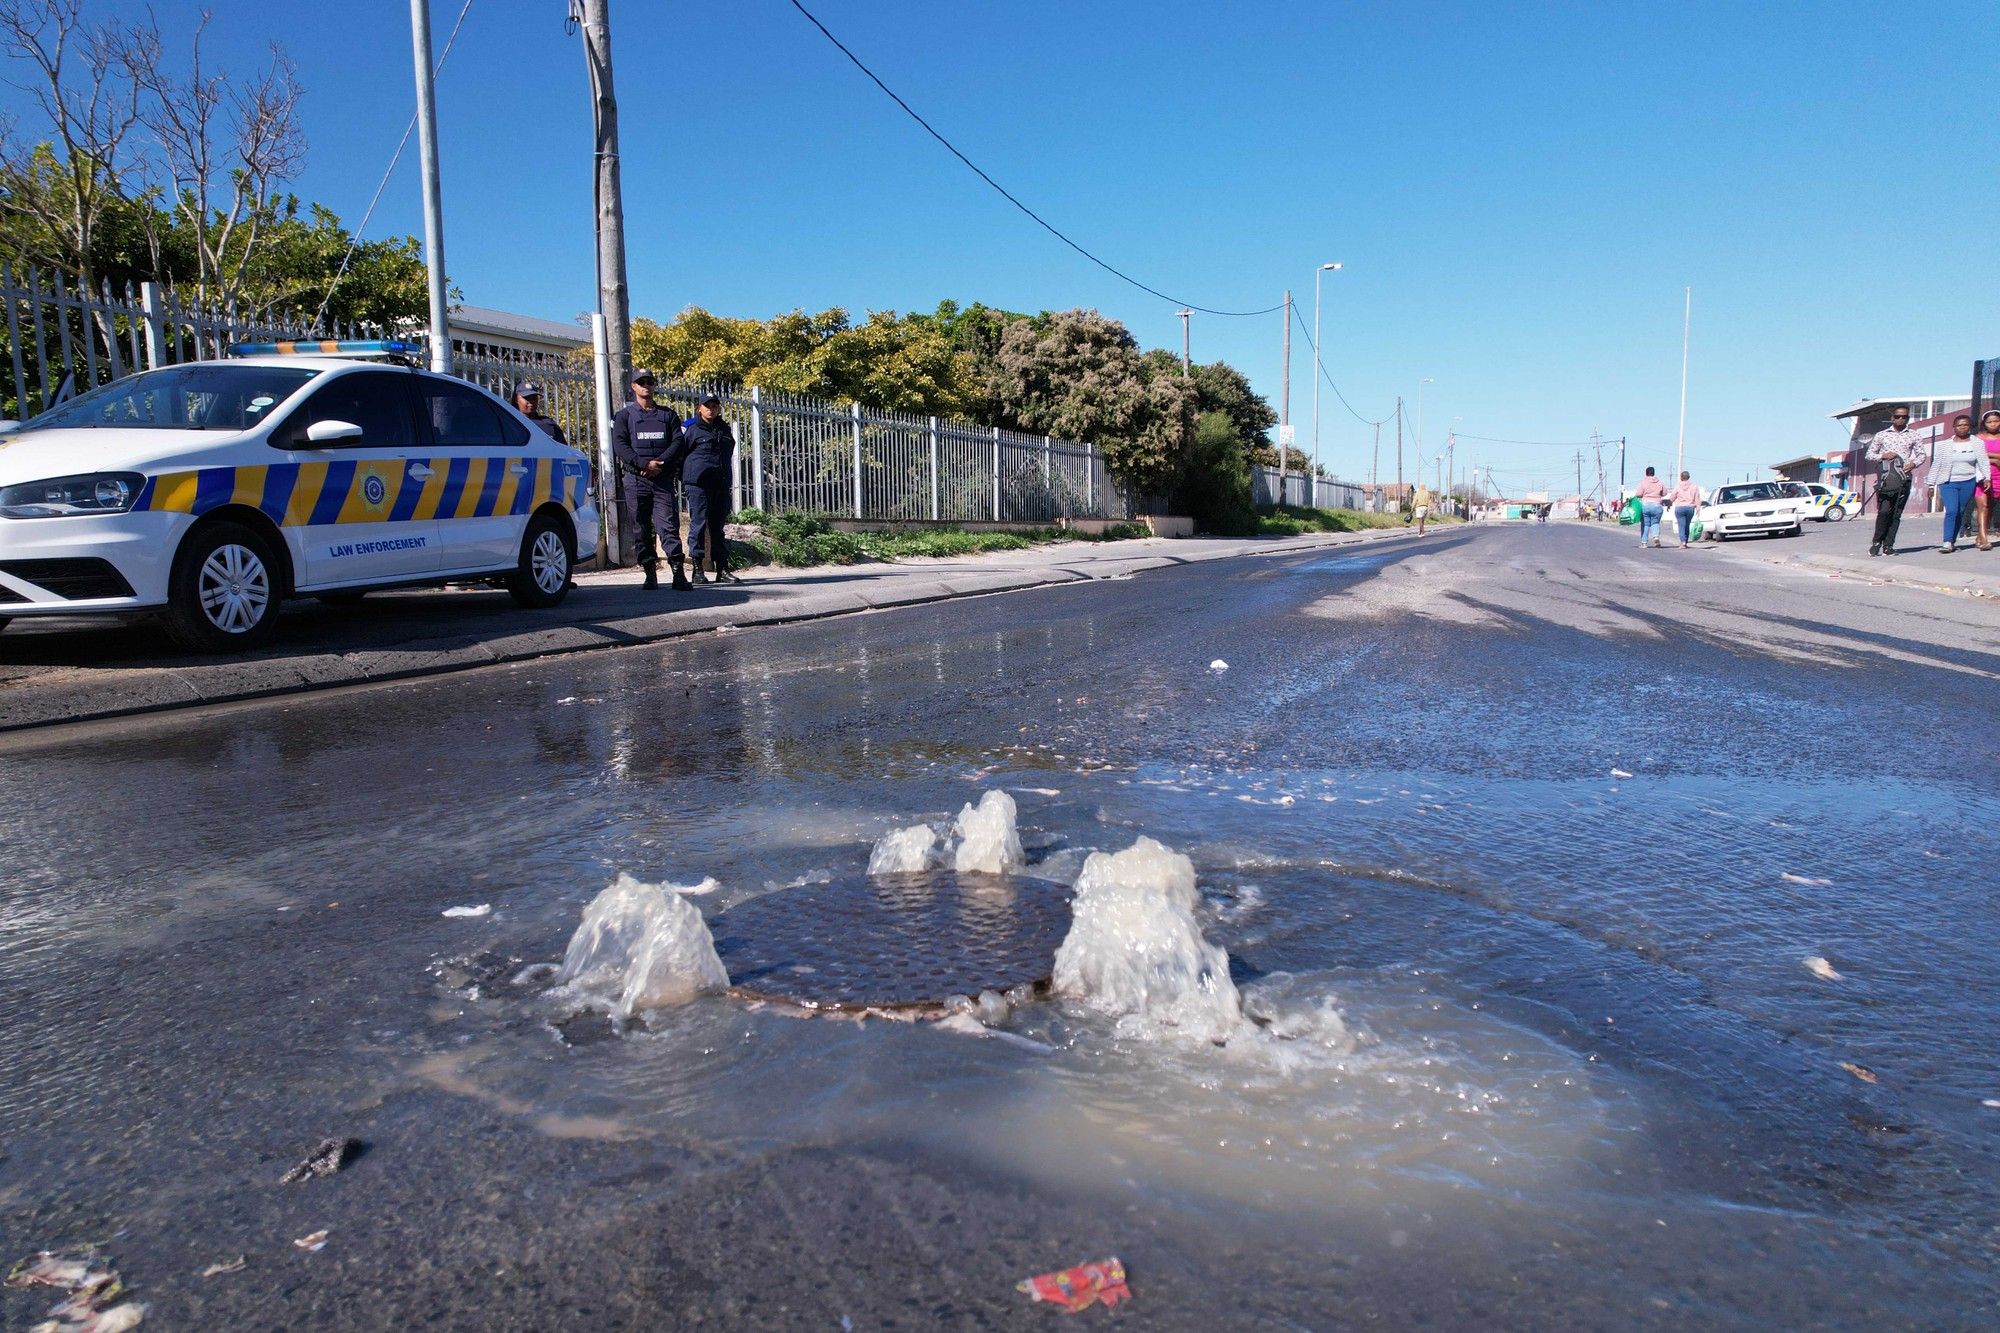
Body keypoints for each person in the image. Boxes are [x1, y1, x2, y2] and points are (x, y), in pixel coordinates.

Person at [611, 368, 690, 590]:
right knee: (641, 528)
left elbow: (677, 443)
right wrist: (643, 464)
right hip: (636, 480)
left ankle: (678, 574)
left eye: (650, 381)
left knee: (668, 525)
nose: (646, 385)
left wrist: (659, 463)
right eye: (641, 382)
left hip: (661, 480)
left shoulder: (668, 415)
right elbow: (620, 446)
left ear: (654, 386)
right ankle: (650, 574)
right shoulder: (625, 416)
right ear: (633, 386)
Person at [681, 391, 739, 583]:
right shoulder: (690, 429)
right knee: (698, 525)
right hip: (698, 484)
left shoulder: (723, 429)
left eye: (714, 406)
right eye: (707, 406)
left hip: (720, 484)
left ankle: (722, 569)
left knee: (718, 528)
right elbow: (680, 455)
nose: (711, 409)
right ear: (699, 408)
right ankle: (697, 570)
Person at [1866, 405, 1929, 556]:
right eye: (1898, 416)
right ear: (1892, 418)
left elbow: (1922, 455)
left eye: (1904, 417)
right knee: (1884, 511)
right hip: (1887, 479)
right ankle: (1876, 542)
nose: (1901, 419)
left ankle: (1889, 545)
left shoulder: (1914, 435)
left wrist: (1913, 464)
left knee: (1896, 513)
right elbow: (1869, 454)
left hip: (1904, 478)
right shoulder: (1882, 435)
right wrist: (1883, 456)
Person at [1928, 414, 1990, 554]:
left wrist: (1987, 478)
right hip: (1948, 482)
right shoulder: (1945, 445)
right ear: (1954, 427)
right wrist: (1931, 485)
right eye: (1959, 425)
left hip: (1968, 482)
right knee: (1952, 511)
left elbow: (1983, 461)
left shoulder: (1977, 443)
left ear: (1970, 427)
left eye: (1965, 425)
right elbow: (1936, 464)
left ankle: (1953, 540)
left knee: (1960, 512)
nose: (1962, 428)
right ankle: (1947, 541)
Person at [1975, 409, 2000, 552]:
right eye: (1989, 422)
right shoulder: (1978, 438)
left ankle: (1979, 535)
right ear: (1984, 423)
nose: (1993, 424)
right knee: (1982, 506)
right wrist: (1995, 457)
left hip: (1998, 476)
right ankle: (1984, 539)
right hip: (1981, 476)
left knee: (1990, 506)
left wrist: (1987, 456)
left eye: (1996, 421)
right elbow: (1975, 455)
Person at [1667, 470, 1701, 548]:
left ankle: (1683, 542)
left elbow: (1673, 496)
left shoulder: (1678, 486)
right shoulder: (1694, 486)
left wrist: (1669, 504)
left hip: (1680, 508)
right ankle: (1685, 542)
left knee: (1681, 525)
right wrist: (1698, 509)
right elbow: (1697, 498)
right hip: (1690, 508)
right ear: (1688, 477)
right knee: (1687, 525)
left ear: (1681, 477)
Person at [1635, 467, 1667, 547]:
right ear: (1654, 473)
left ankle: (1644, 543)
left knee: (1645, 524)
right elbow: (1664, 493)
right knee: (1655, 522)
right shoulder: (1660, 482)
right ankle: (1656, 536)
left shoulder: (1643, 482)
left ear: (1646, 473)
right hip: (1657, 505)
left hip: (1646, 505)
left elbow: (1638, 494)